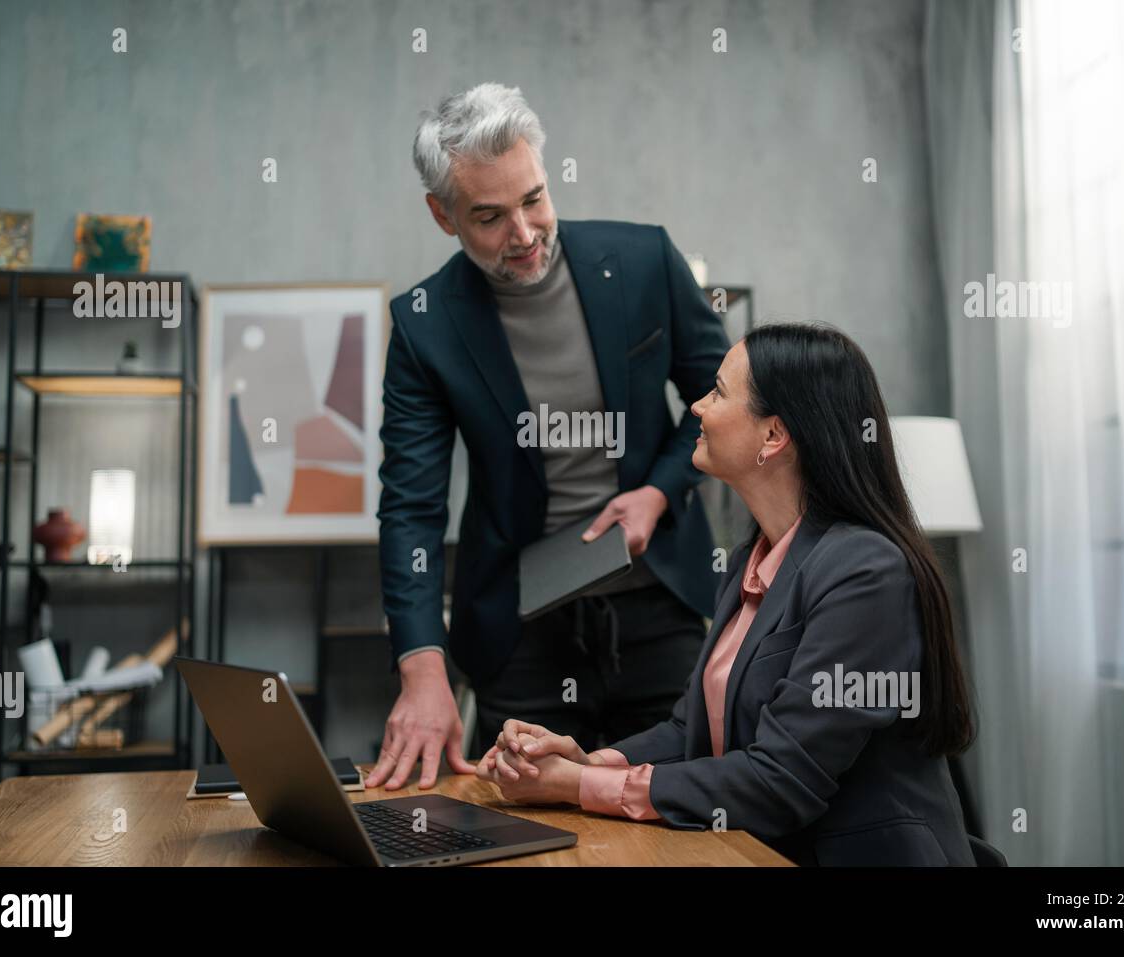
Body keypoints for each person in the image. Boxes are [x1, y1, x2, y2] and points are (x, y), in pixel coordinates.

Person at [477, 322, 978, 866]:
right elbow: (690, 729)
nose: (696, 406)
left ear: (773, 436)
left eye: (717, 391)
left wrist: (575, 786)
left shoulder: (867, 572)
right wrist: (589, 762)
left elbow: (780, 780)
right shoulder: (751, 558)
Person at [367, 82, 729, 791]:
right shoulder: (425, 324)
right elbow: (411, 506)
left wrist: (658, 490)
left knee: (683, 814)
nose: (525, 234)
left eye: (533, 198)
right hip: (519, 627)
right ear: (442, 215)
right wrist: (421, 665)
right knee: (527, 827)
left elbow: (721, 400)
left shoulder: (645, 260)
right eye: (490, 216)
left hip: (660, 598)